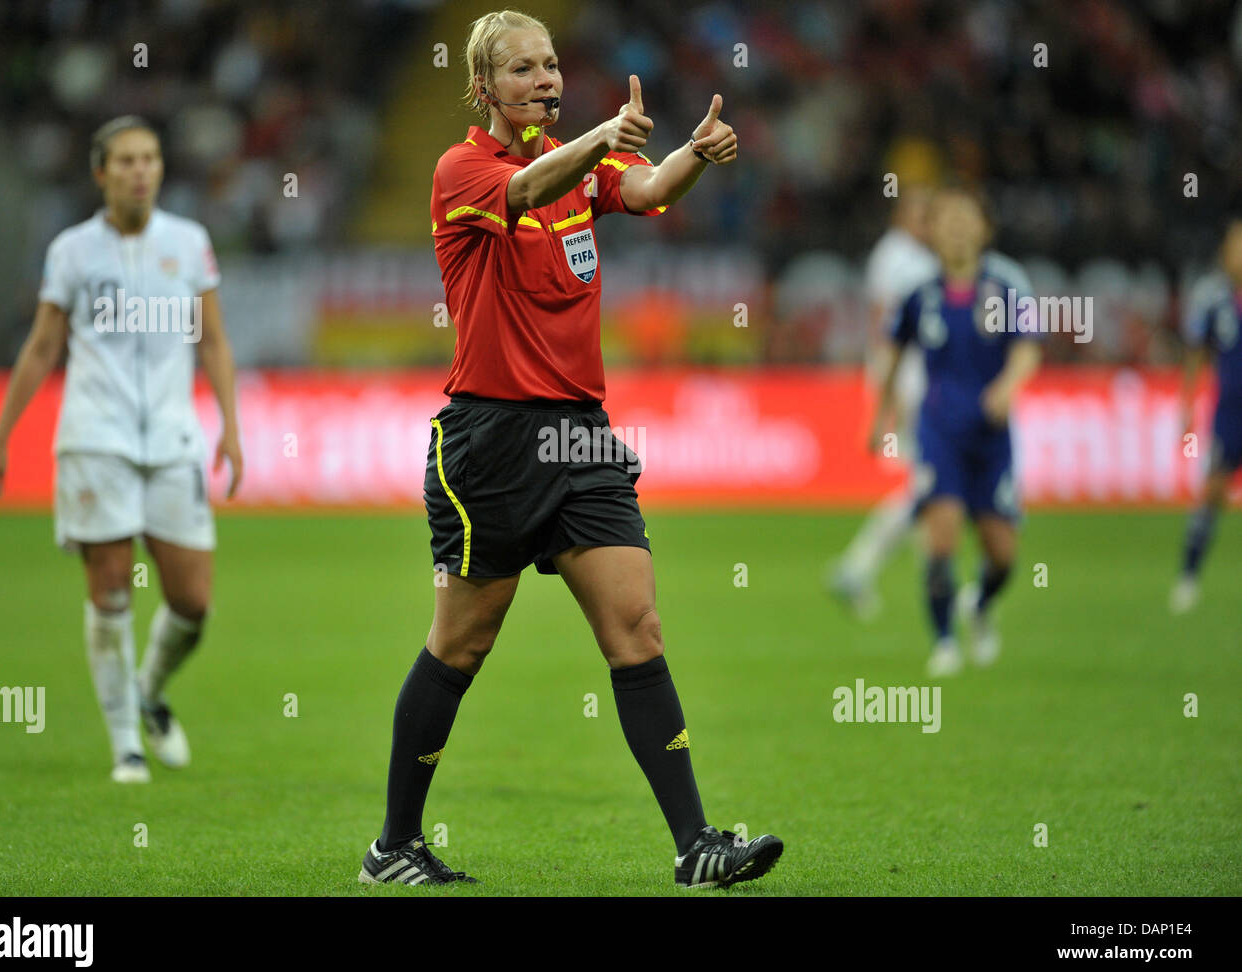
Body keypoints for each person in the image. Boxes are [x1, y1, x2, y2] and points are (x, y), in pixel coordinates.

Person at [358, 9, 783, 889]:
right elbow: (526, 190)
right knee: (461, 644)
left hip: (581, 434)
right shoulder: (464, 170)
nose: (544, 80)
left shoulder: (586, 165)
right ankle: (393, 844)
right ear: (485, 88)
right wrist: (596, 138)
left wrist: (694, 157)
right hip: (491, 441)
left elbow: (650, 191)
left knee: (638, 627)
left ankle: (697, 843)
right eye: (523, 70)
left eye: (551, 65)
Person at [0, 116, 243, 782]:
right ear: (101, 172)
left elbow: (211, 339)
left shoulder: (189, 241)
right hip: (96, 436)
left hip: (174, 438)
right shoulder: (72, 250)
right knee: (112, 586)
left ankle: (150, 691)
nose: (140, 170)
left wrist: (230, 425)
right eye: (125, 160)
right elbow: (42, 346)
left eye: (149, 157)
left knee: (193, 601)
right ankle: (125, 741)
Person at [869, 186, 1041, 677]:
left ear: (984, 228)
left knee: (1002, 554)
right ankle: (944, 642)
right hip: (939, 430)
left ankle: (980, 606)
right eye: (946, 220)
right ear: (932, 232)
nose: (957, 228)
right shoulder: (919, 293)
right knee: (939, 539)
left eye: (967, 219)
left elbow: (1029, 347)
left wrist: (1007, 387)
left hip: (991, 435)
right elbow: (894, 354)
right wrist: (876, 418)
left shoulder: (1009, 284)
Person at [830, 185, 938, 618]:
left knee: (928, 481)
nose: (926, 221)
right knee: (931, 480)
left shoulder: (920, 257)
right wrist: (887, 394)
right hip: (908, 379)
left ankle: (866, 568)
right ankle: (872, 568)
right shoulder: (893, 256)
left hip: (918, 377)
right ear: (902, 215)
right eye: (920, 212)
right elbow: (882, 326)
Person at [1170, 219, 1242, 614]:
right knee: (1211, 494)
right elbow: (1196, 356)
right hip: (1230, 415)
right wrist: (1185, 407)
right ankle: (1188, 576)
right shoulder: (1213, 299)